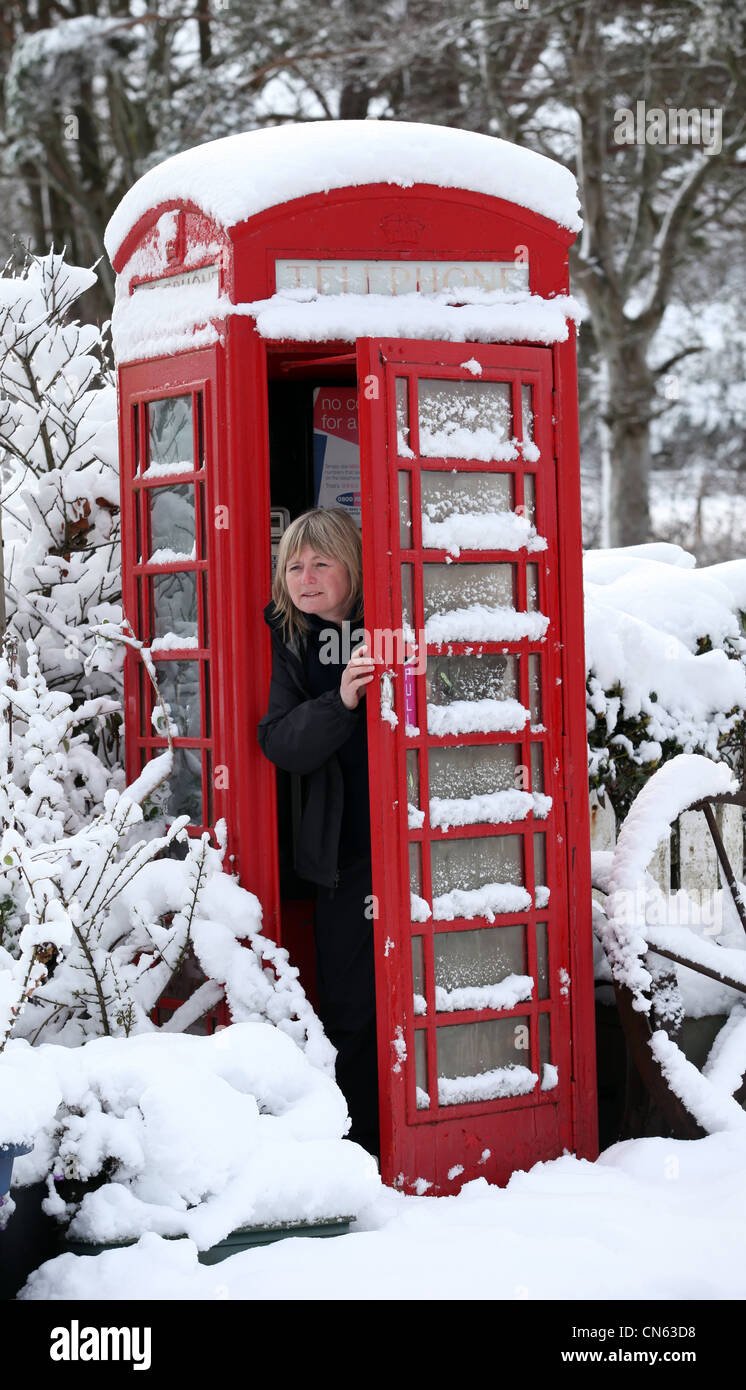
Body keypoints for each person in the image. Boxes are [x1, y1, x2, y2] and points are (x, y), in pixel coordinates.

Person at [257, 507, 380, 1158]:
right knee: (353, 1007)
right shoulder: (294, 644)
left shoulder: (393, 625)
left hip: (421, 840)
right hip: (346, 857)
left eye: (321, 563)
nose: (305, 578)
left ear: (352, 568)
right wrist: (343, 702)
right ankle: (362, 1147)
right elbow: (279, 743)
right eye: (294, 566)